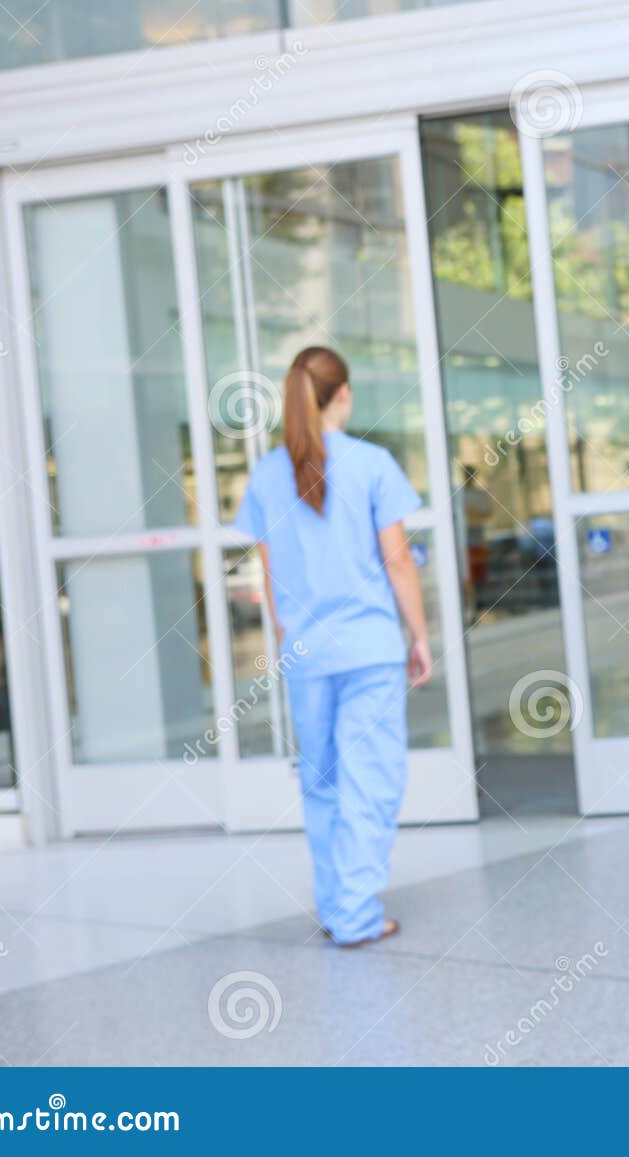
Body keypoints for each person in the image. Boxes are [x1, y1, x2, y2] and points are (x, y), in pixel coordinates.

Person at [233, 346, 434, 947]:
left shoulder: (267, 474)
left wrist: (288, 636)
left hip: (307, 654)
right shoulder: (371, 464)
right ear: (342, 393)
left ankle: (338, 906)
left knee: (321, 784)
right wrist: (420, 635)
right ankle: (354, 915)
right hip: (368, 650)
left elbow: (269, 571)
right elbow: (398, 562)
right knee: (370, 781)